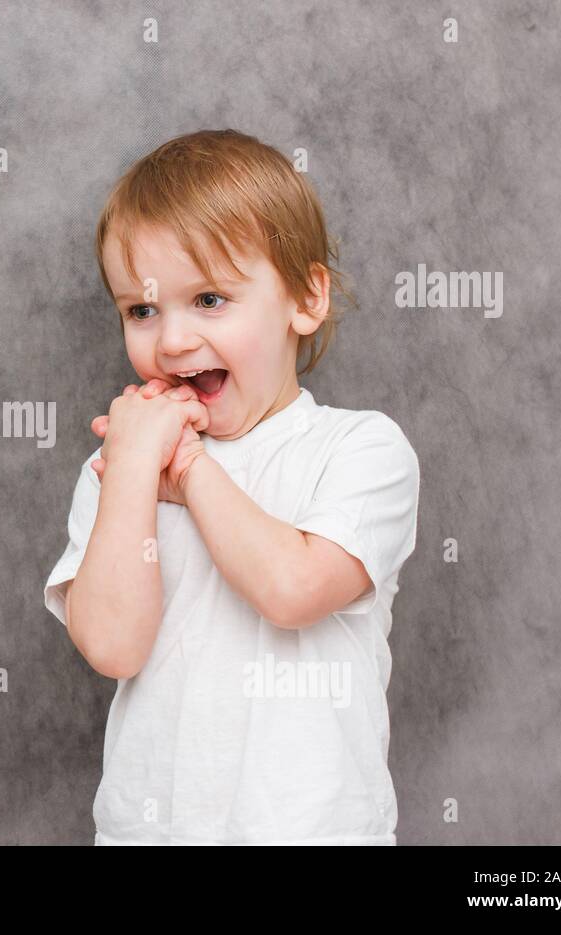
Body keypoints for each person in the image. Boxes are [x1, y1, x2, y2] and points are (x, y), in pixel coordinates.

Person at [43, 129, 421, 845]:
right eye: (142, 309)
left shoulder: (360, 449)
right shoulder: (122, 469)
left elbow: (291, 588)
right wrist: (131, 472)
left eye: (210, 298)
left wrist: (186, 469)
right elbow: (113, 645)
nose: (175, 340)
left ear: (305, 299)